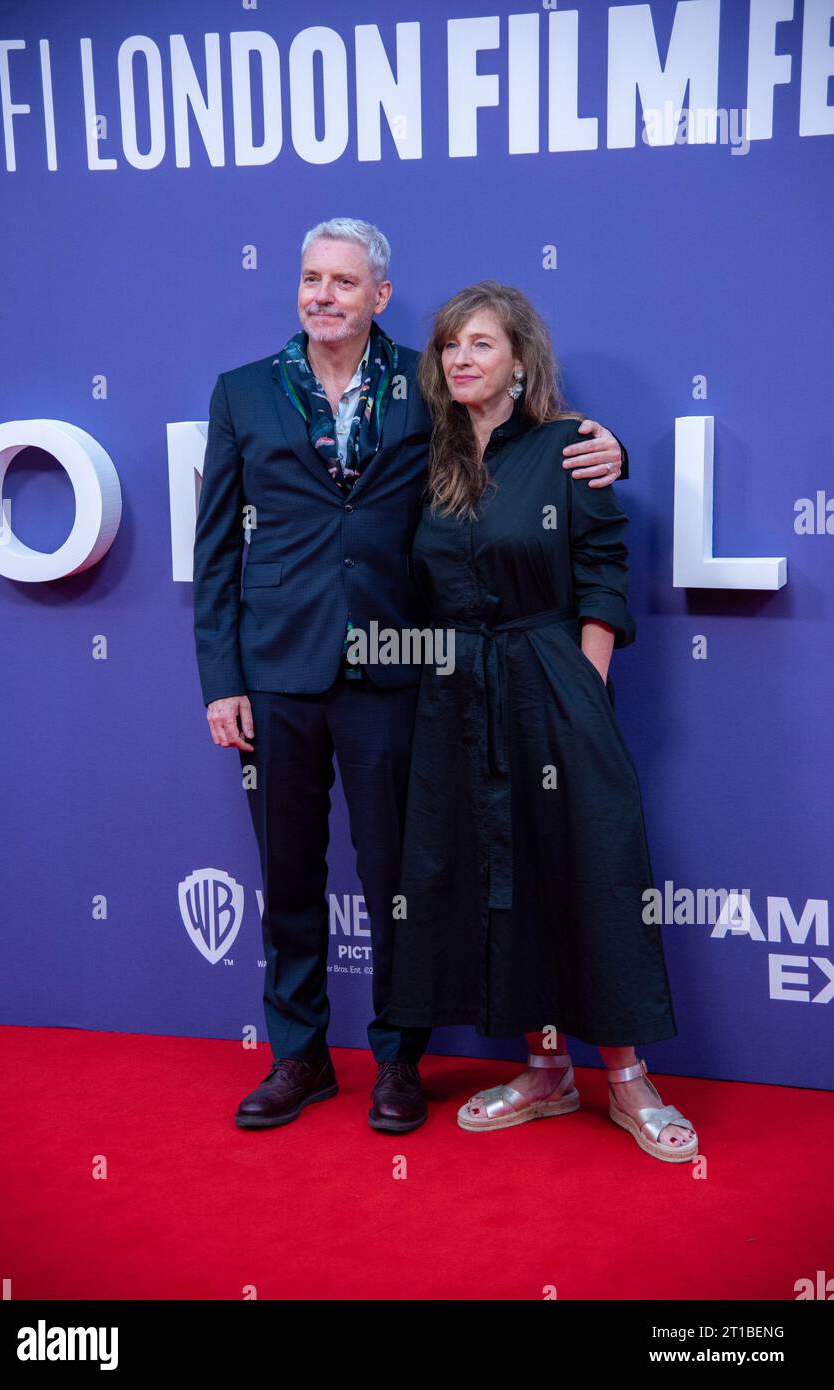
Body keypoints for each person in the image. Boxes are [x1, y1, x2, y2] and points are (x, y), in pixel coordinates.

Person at [192, 220, 630, 1135]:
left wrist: (599, 446)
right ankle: (299, 1057)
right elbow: (215, 553)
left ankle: (399, 1058)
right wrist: (220, 678)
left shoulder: (427, 391)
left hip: (395, 669)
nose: (323, 295)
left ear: (378, 297)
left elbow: (507, 440)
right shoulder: (240, 394)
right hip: (275, 670)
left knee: (401, 876)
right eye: (310, 278)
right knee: (287, 875)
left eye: (343, 282)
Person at [384, 281, 698, 1162]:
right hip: (455, 691)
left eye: (480, 344)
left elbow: (603, 564)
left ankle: (629, 1079)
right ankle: (546, 1067)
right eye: (449, 346)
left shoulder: (570, 446)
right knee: (495, 867)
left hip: (551, 679)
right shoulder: (431, 460)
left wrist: (586, 675)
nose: (461, 359)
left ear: (520, 361)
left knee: (586, 863)